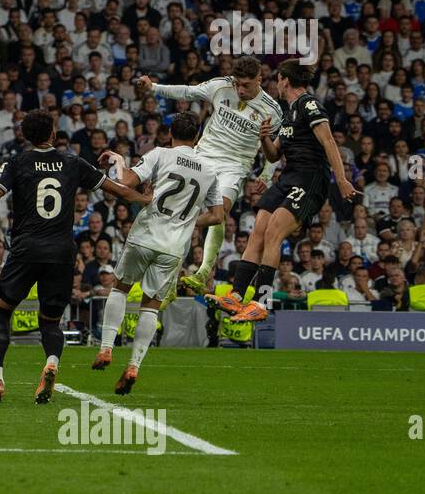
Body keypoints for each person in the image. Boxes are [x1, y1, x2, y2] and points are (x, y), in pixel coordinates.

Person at [0, 109, 151, 404]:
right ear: (53, 133)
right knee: (50, 321)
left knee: (2, 312)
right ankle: (51, 362)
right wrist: (149, 199)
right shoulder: (72, 162)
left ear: (25, 136)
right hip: (62, 252)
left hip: (26, 249)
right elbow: (122, 192)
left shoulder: (16, 162)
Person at [214, 59, 359, 323]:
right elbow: (273, 156)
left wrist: (342, 180)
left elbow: (328, 142)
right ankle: (235, 295)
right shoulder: (288, 112)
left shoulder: (309, 104)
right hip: (288, 176)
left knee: (273, 231)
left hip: (310, 178)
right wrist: (264, 138)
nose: (276, 85)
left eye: (277, 80)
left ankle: (261, 302)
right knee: (258, 228)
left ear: (285, 80)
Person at [93, 112, 226, 394]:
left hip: (145, 235)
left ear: (170, 134)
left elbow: (127, 181)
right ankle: (133, 366)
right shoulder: (210, 169)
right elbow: (216, 216)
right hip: (174, 246)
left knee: (120, 289)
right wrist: (188, 221)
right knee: (151, 305)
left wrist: (118, 159)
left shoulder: (160, 154)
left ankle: (106, 348)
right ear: (197, 137)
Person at [135, 55, 282, 299]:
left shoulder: (272, 110)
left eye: (246, 85)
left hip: (234, 165)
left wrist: (266, 174)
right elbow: (188, 92)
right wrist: (154, 88)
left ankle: (203, 272)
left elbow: (273, 148)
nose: (240, 90)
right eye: (238, 84)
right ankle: (170, 281)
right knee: (182, 210)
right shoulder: (221, 86)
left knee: (220, 212)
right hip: (203, 156)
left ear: (260, 79)